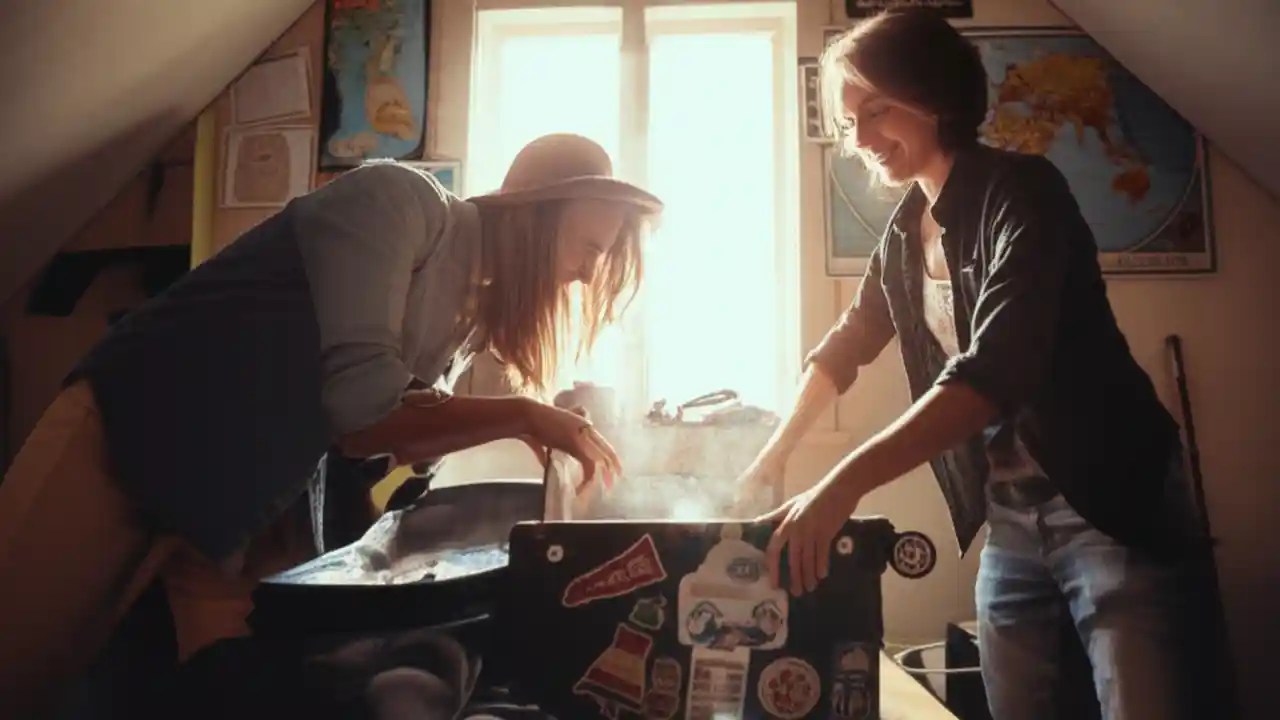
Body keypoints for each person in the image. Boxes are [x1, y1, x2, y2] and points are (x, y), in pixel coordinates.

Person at [0, 132, 662, 718]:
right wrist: (522, 415)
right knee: (18, 656)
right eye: (588, 248)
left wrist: (517, 428)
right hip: (130, 432)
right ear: (537, 217)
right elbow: (366, 409)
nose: (585, 273)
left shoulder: (466, 319)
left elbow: (394, 443)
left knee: (206, 689)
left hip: (230, 506)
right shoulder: (398, 204)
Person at [743, 10, 1226, 720]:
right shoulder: (906, 230)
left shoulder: (1024, 192)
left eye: (877, 111)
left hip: (1110, 504)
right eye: (851, 124)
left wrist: (839, 486)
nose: (863, 140)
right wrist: (770, 458)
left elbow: (990, 374)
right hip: (1010, 522)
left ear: (935, 93)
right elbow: (848, 344)